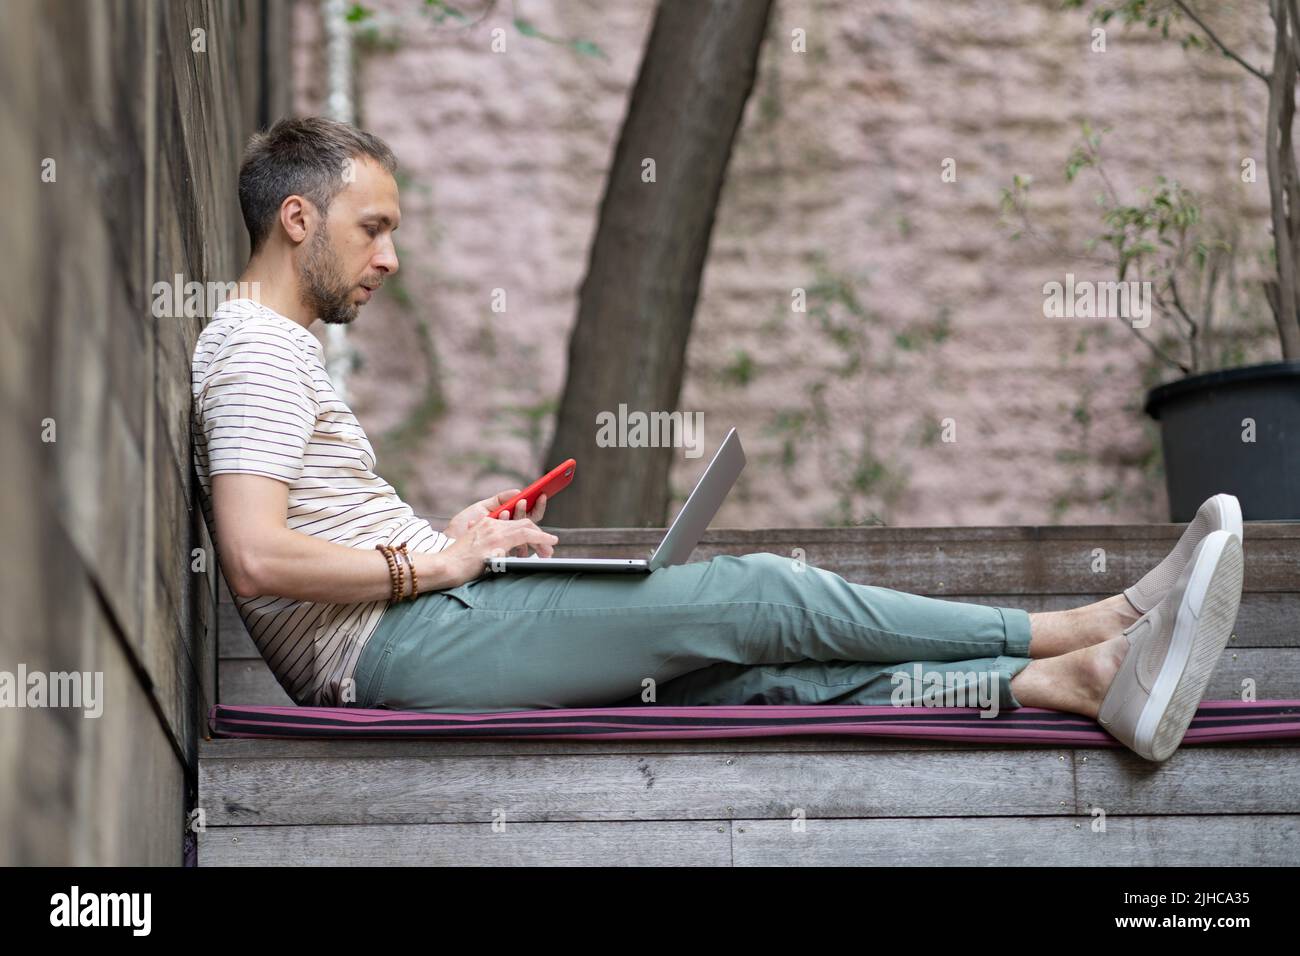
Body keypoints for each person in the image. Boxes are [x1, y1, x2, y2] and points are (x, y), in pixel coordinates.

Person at [192, 117, 1245, 765]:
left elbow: (308, 536)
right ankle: (1080, 623)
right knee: (760, 595)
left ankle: (1076, 683)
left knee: (754, 682)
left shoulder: (275, 348)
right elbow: (256, 552)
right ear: (297, 218)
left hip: (419, 625)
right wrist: (435, 561)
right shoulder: (252, 344)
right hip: (398, 650)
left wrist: (455, 533)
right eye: (373, 227)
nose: (389, 257)